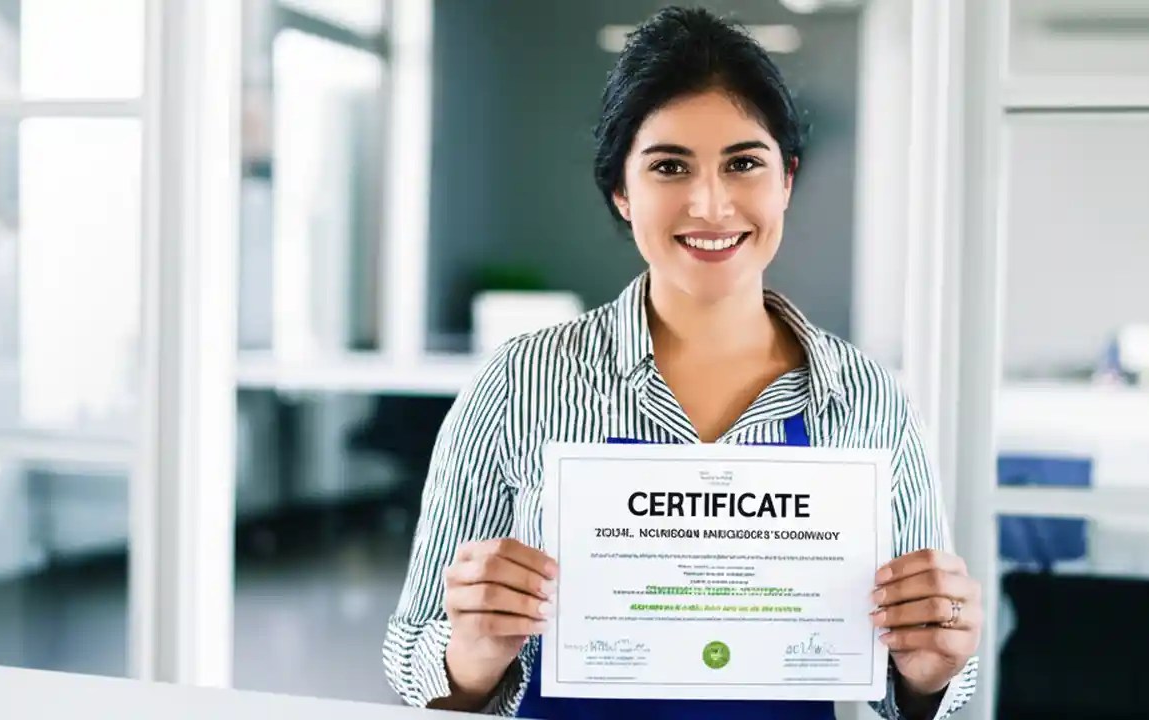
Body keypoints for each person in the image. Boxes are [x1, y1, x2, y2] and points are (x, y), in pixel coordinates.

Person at [383, 6, 980, 719]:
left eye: (744, 163)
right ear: (621, 191)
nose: (710, 204)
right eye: (669, 166)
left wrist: (928, 671)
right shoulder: (520, 382)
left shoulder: (867, 399)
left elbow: (924, 688)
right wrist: (472, 655)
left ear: (786, 180)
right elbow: (411, 658)